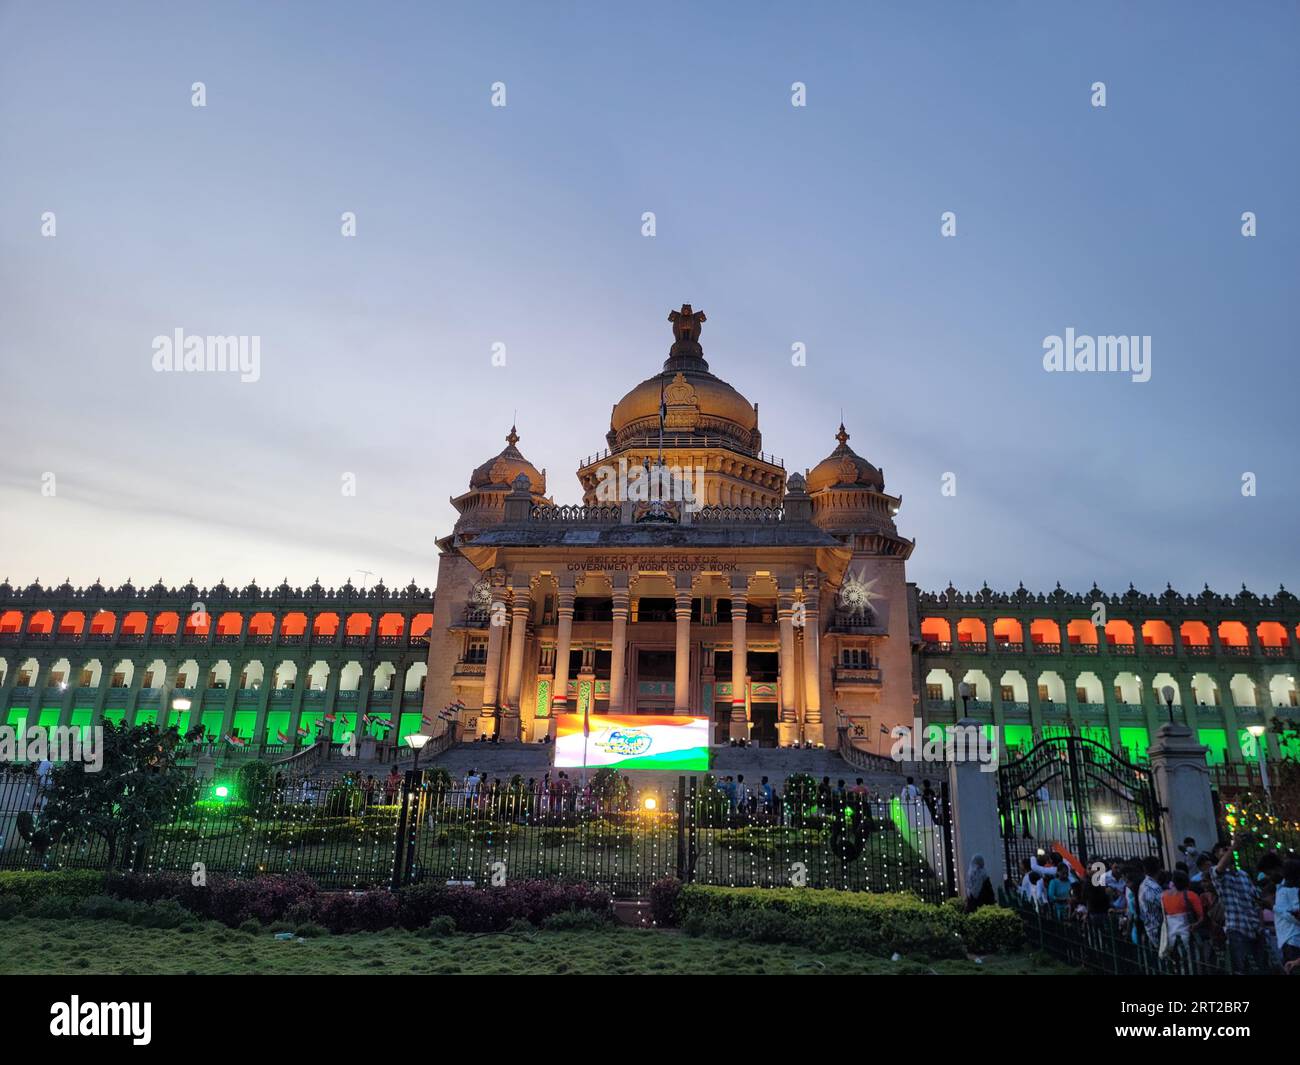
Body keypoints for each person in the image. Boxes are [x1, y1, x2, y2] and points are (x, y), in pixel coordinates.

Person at [1211, 838, 1271, 973]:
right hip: (1237, 928)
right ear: (1216, 855)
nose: (1229, 852)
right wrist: (1232, 848)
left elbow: (1256, 901)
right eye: (1224, 850)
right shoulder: (1216, 873)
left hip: (1255, 927)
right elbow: (1220, 869)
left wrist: (1261, 925)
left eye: (1229, 849)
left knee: (1262, 968)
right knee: (1243, 968)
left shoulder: (1243, 875)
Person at [1160, 869, 1205, 958]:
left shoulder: (1163, 896)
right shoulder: (1191, 895)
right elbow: (1201, 917)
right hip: (1189, 935)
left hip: (1171, 937)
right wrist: (1195, 925)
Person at [1276, 859, 1300, 975]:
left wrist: (1274, 907)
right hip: (1292, 939)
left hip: (1291, 939)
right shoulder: (1286, 890)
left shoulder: (1284, 891)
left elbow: (1290, 914)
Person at [1138, 856, 1165, 948]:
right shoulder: (1154, 888)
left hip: (1150, 929)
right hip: (1159, 930)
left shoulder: (1143, 885)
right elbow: (1165, 907)